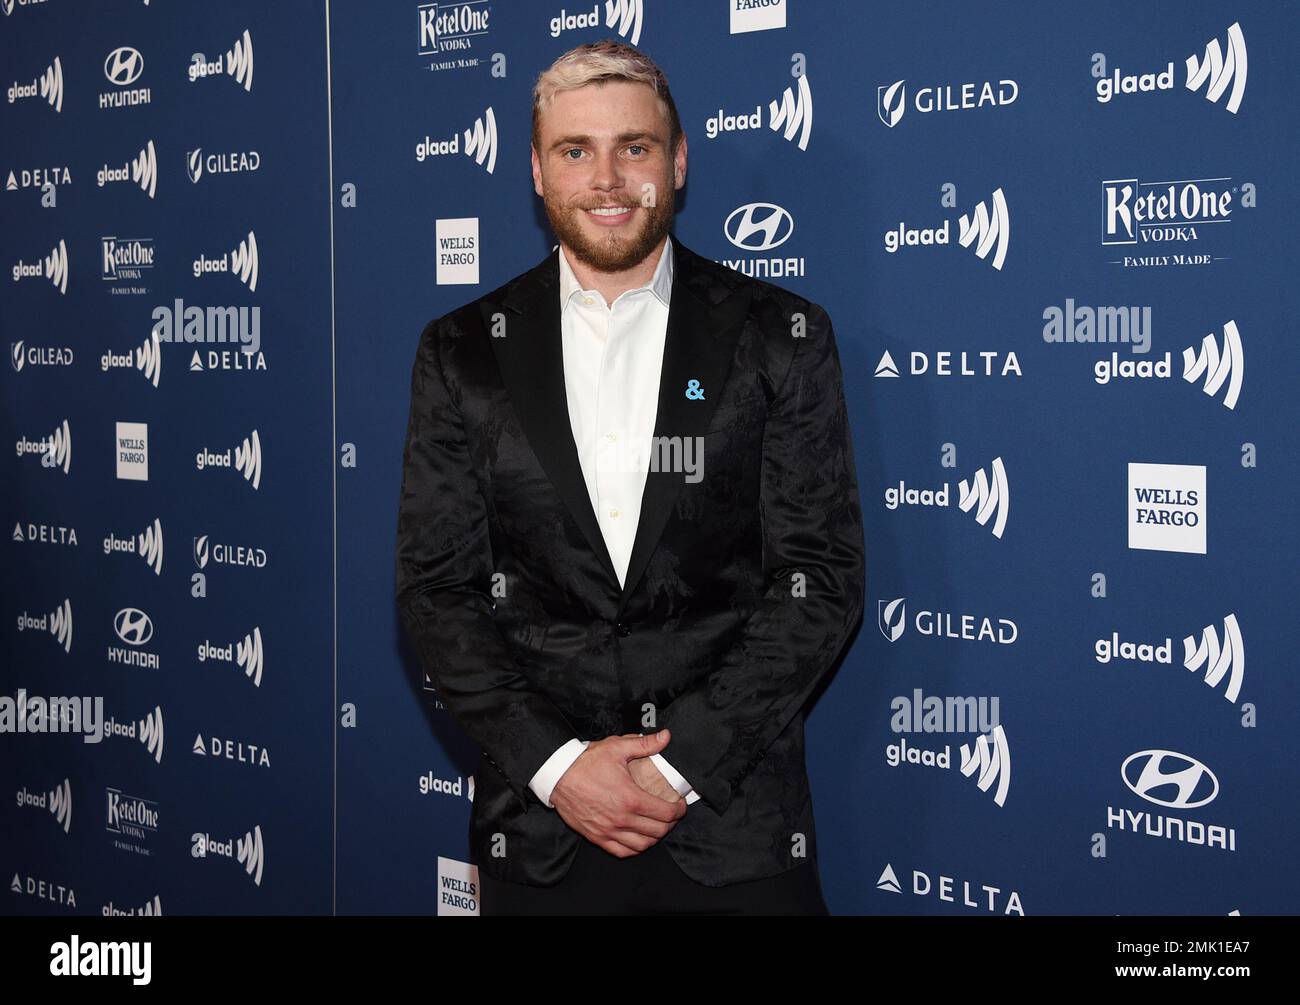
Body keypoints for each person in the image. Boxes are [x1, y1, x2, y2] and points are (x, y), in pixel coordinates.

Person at [395, 39, 865, 915]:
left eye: (634, 148)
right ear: (537, 172)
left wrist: (679, 762)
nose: (607, 179)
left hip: (733, 836)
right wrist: (562, 767)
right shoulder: (462, 352)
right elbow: (436, 591)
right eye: (576, 150)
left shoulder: (780, 335)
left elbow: (821, 580)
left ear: (678, 162)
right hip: (540, 838)